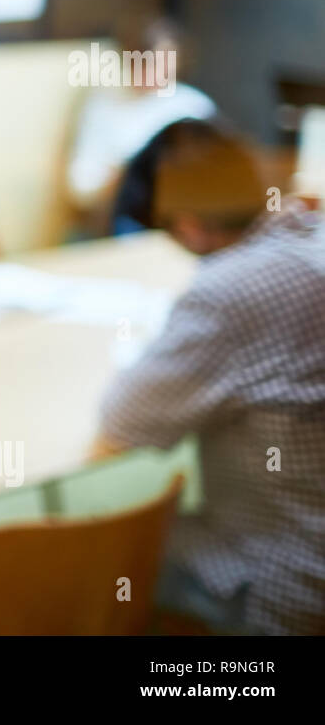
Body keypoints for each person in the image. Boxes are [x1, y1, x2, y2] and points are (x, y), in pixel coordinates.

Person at [90, 118, 325, 635]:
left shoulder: (231, 291)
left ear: (191, 224)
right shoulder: (312, 237)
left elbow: (122, 427)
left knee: (96, 557)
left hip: (282, 581)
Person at [65, 15, 218, 237]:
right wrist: (115, 181)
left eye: (165, 64)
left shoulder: (194, 107)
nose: (156, 73)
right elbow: (79, 185)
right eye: (147, 63)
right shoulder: (105, 103)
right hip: (121, 219)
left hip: (182, 222)